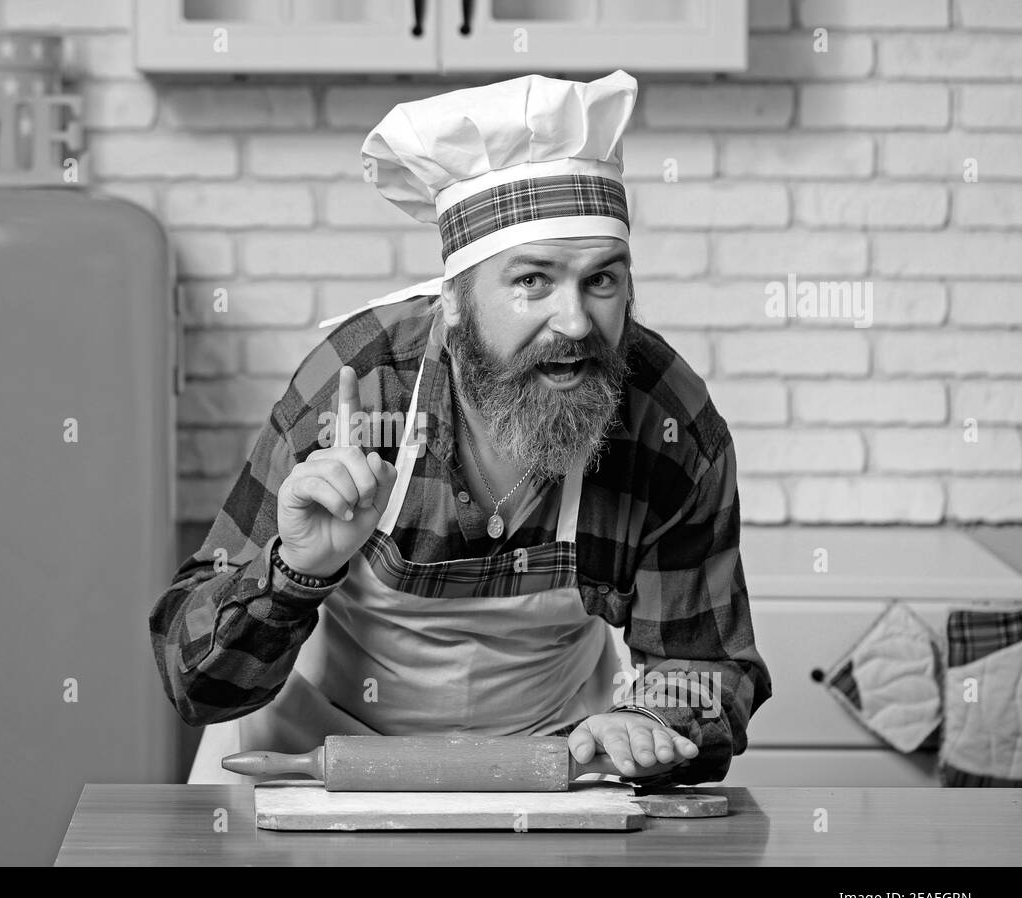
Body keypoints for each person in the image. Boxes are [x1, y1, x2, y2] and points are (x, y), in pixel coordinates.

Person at [150, 71, 771, 786]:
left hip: (554, 764)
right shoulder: (360, 386)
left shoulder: (667, 423)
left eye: (602, 280)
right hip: (312, 760)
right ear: (454, 303)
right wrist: (294, 573)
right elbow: (191, 679)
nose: (574, 323)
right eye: (532, 280)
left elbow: (708, 667)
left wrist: (651, 722)